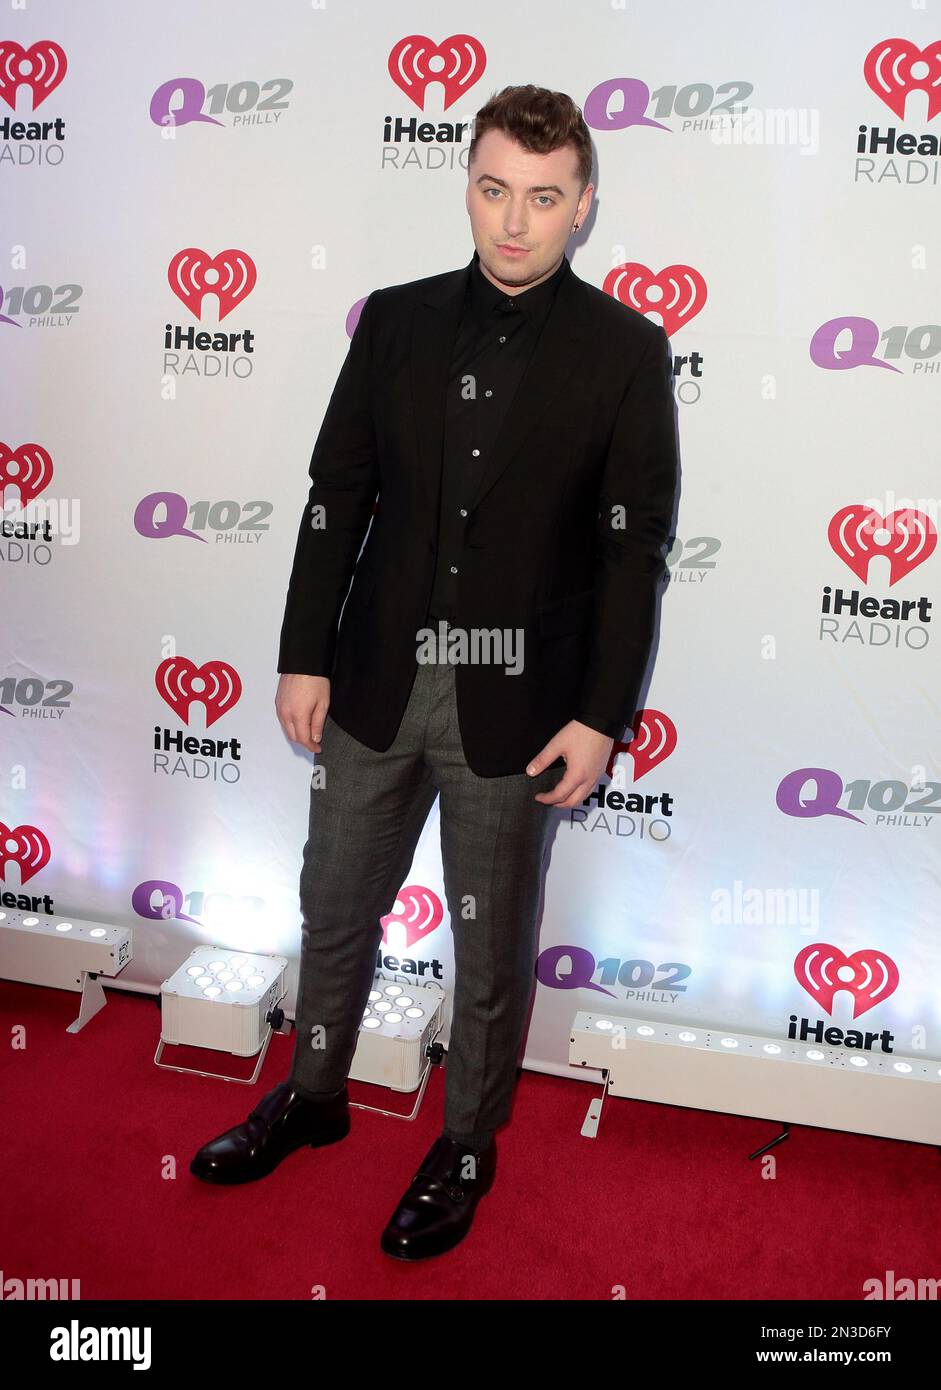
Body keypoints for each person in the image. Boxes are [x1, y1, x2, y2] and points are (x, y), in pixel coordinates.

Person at [190, 83, 678, 1262]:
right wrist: (303, 652)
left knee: (491, 937)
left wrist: (601, 716)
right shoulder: (395, 323)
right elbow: (336, 502)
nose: (515, 221)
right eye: (494, 188)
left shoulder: (623, 349)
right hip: (371, 681)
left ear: (583, 207)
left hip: (513, 702)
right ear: (467, 182)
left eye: (544, 198)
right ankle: (310, 1097)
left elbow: (631, 552)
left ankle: (465, 1144)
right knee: (335, 900)